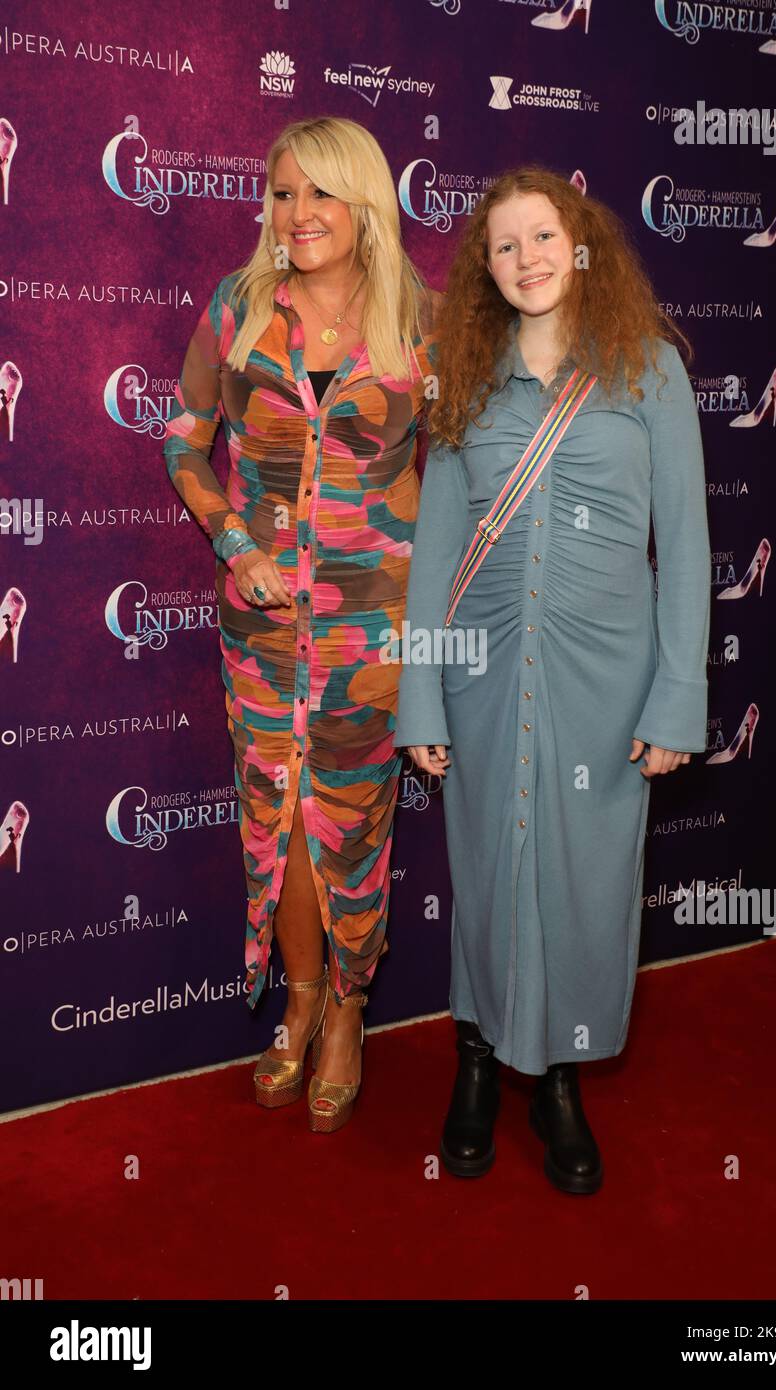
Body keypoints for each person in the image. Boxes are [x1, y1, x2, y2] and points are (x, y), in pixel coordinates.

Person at [393, 165, 711, 1193]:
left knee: (583, 883)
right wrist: (420, 693)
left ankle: (561, 1078)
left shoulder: (649, 370)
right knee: (485, 871)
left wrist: (674, 699)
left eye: (541, 238)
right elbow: (436, 550)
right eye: (502, 247)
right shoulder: (464, 377)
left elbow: (689, 554)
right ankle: (476, 1062)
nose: (525, 260)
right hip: (482, 679)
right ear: (482, 269)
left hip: (604, 687)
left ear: (579, 245)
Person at [163, 116, 440, 1133]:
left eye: (320, 193)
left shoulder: (421, 321)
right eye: (282, 193)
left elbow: (459, 474)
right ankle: (303, 994)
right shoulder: (238, 310)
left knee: (353, 824)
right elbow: (183, 440)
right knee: (275, 820)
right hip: (263, 629)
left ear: (365, 201)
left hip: (374, 633)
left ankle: (348, 1012)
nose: (299, 214)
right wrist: (235, 541)